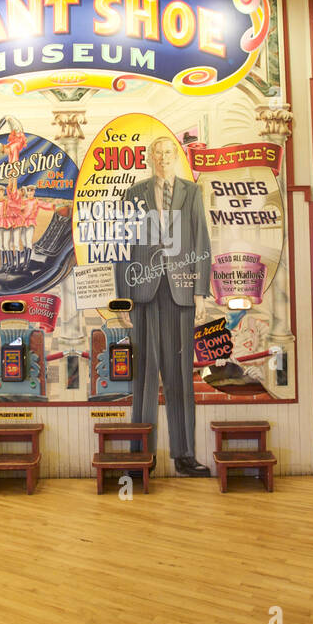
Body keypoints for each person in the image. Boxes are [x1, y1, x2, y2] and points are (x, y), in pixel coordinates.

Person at [115, 135, 212, 476]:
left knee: (180, 376)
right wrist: (122, 298)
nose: (163, 158)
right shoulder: (134, 194)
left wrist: (200, 293)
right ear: (150, 158)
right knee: (143, 377)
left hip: (181, 292)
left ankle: (185, 455)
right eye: (157, 154)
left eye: (168, 153)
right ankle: (141, 455)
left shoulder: (191, 192)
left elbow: (201, 240)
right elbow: (123, 246)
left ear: (176, 157)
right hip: (143, 293)